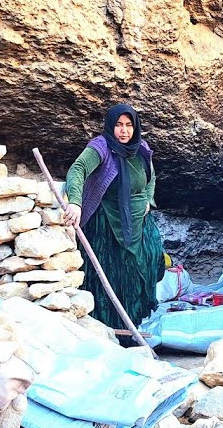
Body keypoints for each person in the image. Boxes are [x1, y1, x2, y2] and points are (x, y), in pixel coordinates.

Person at [63, 104, 166, 334]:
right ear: (111, 126)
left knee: (147, 263)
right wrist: (75, 202)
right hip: (106, 223)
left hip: (139, 219)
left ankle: (134, 322)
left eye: (129, 125)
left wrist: (149, 199)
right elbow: (78, 169)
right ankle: (108, 328)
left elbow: (151, 177)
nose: (124, 130)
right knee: (109, 275)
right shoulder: (100, 147)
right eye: (119, 125)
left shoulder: (142, 149)